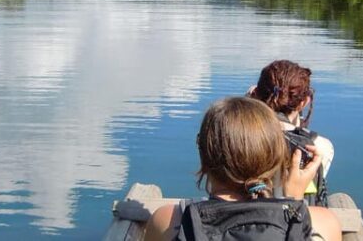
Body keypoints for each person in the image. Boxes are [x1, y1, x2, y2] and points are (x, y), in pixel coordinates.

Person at [144, 97, 342, 241]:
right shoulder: (323, 223)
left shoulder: (168, 221)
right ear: (276, 158)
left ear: (204, 156)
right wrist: (293, 204)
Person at [248, 60, 335, 200]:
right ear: (304, 102)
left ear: (256, 95)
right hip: (294, 214)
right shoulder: (321, 146)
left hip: (243, 213)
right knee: (341, 198)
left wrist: (248, 104)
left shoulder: (238, 135)